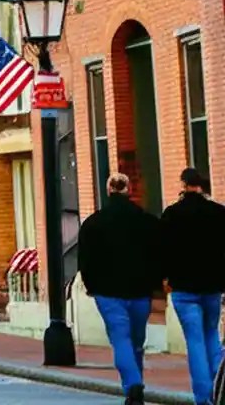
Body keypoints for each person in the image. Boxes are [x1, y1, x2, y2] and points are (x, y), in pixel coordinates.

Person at [78, 173, 161, 405]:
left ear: (108, 191)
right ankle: (135, 386)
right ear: (129, 190)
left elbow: (85, 260)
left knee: (120, 338)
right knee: (136, 342)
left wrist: (91, 285)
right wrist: (155, 283)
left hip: (108, 292)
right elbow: (158, 255)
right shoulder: (147, 222)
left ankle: (133, 384)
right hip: (140, 292)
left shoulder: (93, 223)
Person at [160, 168, 225, 405]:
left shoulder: (171, 214)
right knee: (212, 337)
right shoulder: (219, 213)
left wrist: (165, 278)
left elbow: (162, 251)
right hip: (212, 287)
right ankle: (221, 391)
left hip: (183, 288)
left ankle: (203, 398)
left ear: (183, 184)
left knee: (195, 341)